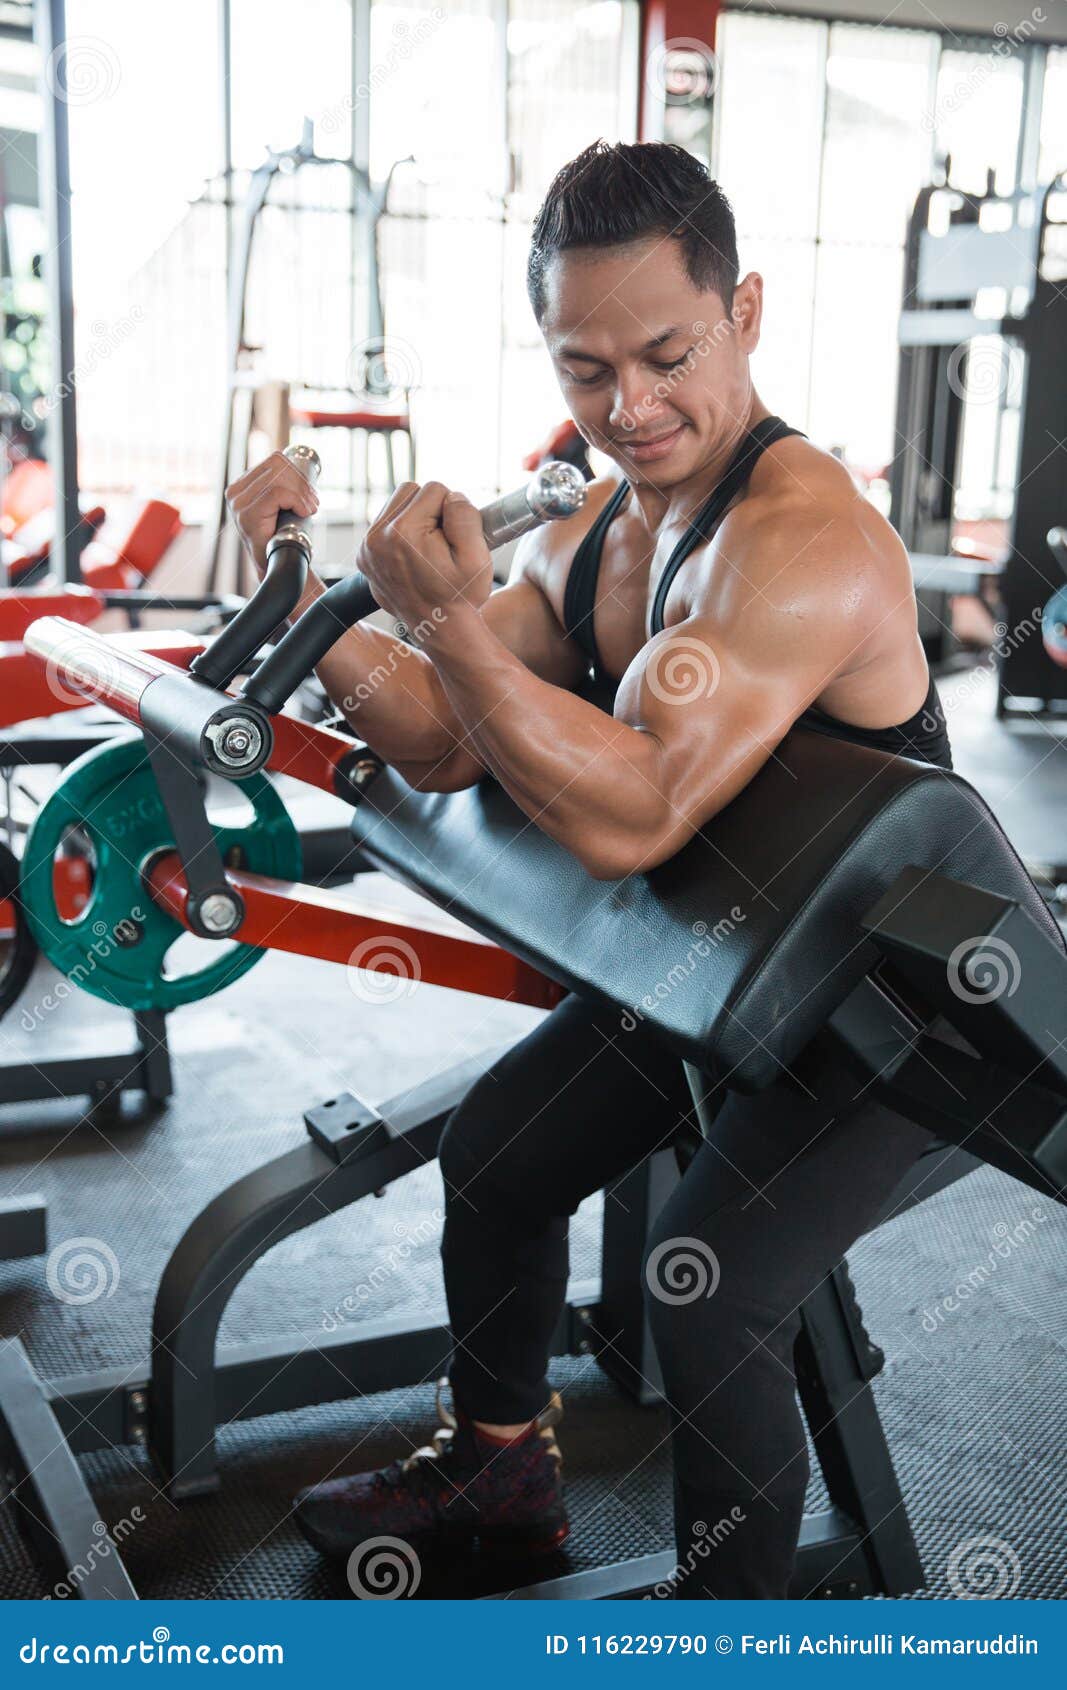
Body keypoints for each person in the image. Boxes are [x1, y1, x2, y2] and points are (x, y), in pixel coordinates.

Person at [226, 140, 952, 1598]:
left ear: (745, 311)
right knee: (497, 1157)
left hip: (899, 1009)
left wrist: (456, 626)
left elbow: (632, 813)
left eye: (666, 354)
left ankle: (724, 1629)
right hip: (728, 966)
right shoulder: (614, 523)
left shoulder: (804, 542)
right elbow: (445, 731)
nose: (629, 409)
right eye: (584, 370)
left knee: (715, 1288)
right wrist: (304, 590)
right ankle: (500, 1483)